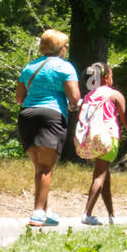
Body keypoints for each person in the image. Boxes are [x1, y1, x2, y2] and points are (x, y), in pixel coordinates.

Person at [16, 29, 80, 227]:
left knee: (40, 167)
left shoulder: (29, 67)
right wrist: (72, 106)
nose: (66, 49)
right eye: (64, 46)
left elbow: (19, 98)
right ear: (60, 49)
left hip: (27, 116)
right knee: (46, 168)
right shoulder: (65, 67)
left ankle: (44, 211)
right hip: (51, 116)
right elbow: (75, 97)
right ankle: (37, 214)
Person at [78, 63, 127, 225]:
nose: (112, 78)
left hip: (91, 139)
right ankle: (87, 214)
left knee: (104, 174)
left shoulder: (89, 95)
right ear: (105, 78)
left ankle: (111, 215)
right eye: (111, 75)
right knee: (99, 175)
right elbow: (126, 122)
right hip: (107, 137)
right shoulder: (115, 95)